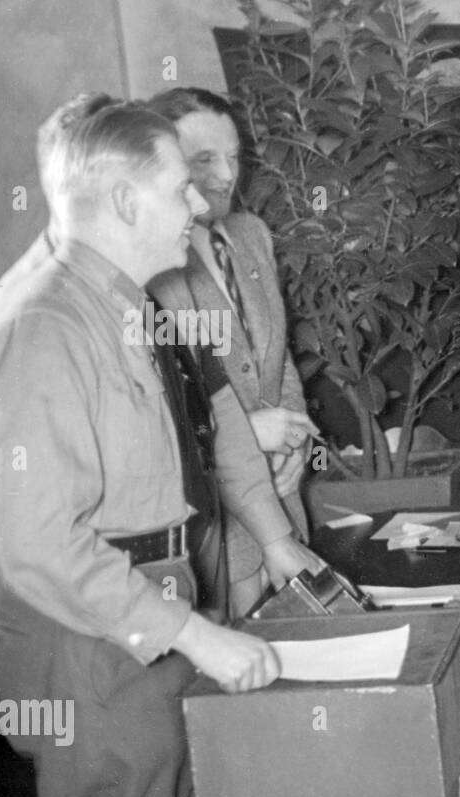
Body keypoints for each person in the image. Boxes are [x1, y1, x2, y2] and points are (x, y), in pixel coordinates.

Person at [0, 95, 284, 797]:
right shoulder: (44, 324)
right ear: (121, 199)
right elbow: (40, 543)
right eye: (180, 185)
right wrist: (193, 635)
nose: (198, 201)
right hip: (91, 657)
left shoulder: (116, 304)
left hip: (137, 633)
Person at [147, 87, 319, 617]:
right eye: (204, 161)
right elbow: (166, 406)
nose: (226, 176)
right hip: (212, 534)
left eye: (234, 158)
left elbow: (280, 360)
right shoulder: (149, 262)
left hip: (281, 513)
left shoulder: (251, 235)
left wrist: (294, 442)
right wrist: (249, 433)